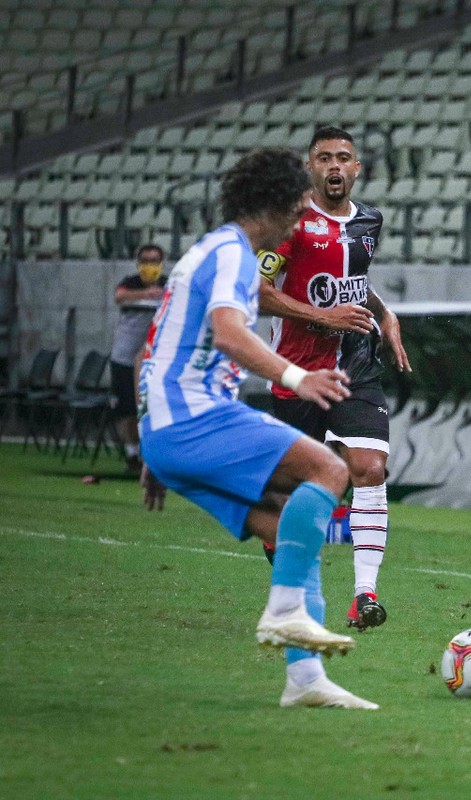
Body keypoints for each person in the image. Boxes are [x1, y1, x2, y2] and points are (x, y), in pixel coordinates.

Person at [138, 147, 377, 709]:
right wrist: (300, 377)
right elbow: (229, 334)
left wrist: (152, 445)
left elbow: (154, 348)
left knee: (292, 524)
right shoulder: (232, 254)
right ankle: (285, 613)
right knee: (328, 468)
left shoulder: (210, 251)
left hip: (171, 429)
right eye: (295, 208)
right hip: (196, 417)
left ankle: (306, 681)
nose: (301, 219)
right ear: (271, 204)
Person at [257, 125, 410, 632]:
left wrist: (384, 313)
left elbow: (355, 285)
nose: (335, 166)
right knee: (291, 493)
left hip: (356, 364)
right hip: (298, 372)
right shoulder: (290, 222)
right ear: (311, 167)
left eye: (344, 157)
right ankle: (287, 568)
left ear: (358, 167)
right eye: (325, 158)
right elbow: (257, 291)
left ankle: (365, 595)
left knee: (369, 468)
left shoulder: (370, 220)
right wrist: (324, 319)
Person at [110, 244, 167, 472]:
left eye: (154, 260)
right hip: (124, 357)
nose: (149, 266)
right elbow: (119, 296)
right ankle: (131, 454)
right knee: (126, 410)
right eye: (145, 260)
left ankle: (151, 456)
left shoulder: (168, 285)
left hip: (154, 360)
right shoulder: (130, 283)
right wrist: (145, 294)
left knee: (152, 407)